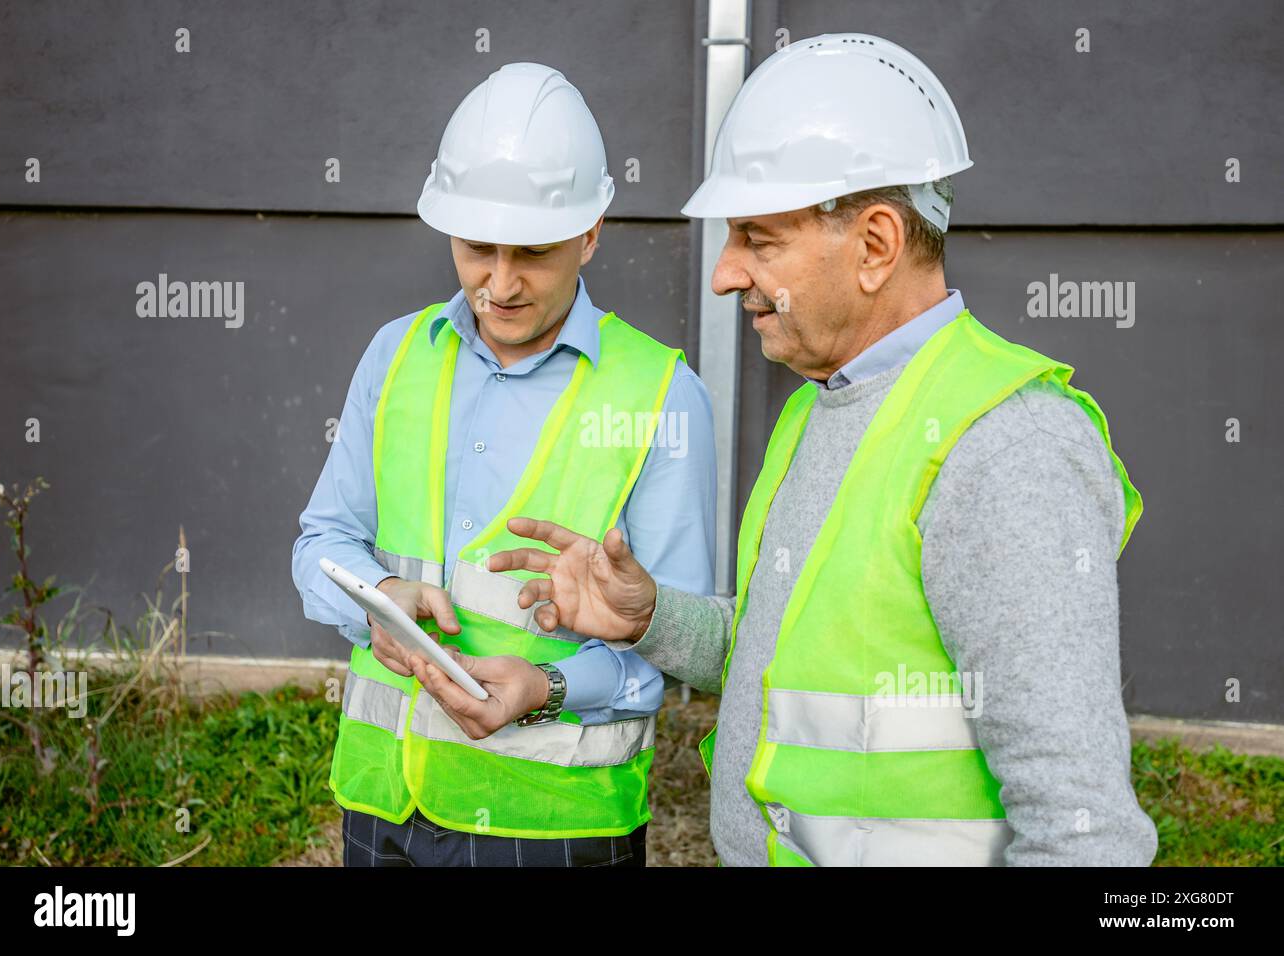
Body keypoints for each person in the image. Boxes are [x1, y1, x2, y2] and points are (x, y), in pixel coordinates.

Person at [417, 34, 1159, 867]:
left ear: (876, 246)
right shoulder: (819, 407)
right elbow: (787, 654)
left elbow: (1081, 829)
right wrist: (650, 618)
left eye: (757, 240)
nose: (725, 275)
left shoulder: (1006, 445)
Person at [290, 62, 716, 867]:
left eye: (534, 252)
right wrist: (380, 597)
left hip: (553, 828)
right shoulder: (396, 356)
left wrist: (547, 690)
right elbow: (319, 545)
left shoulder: (662, 395)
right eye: (477, 248)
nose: (501, 281)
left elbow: (684, 648)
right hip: (382, 805)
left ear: (591, 233)